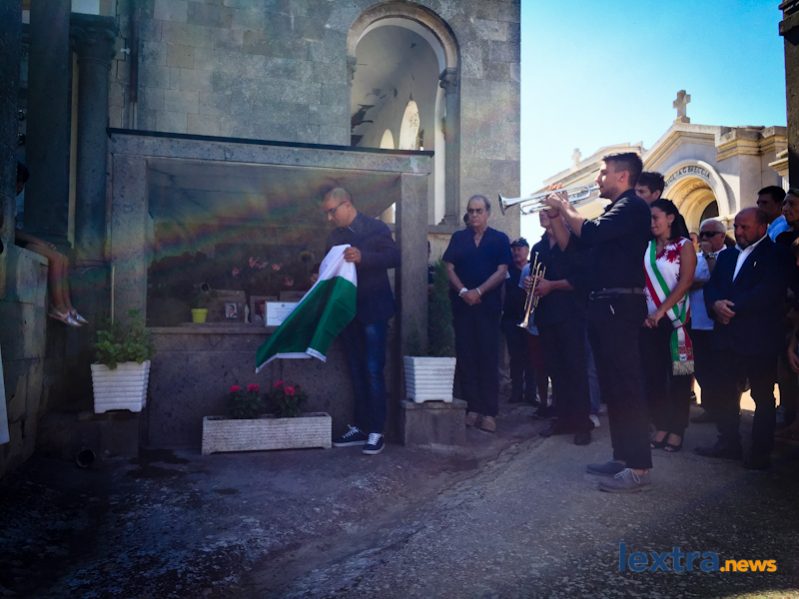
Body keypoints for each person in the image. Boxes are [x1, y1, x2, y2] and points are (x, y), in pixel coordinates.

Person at [544, 152, 653, 493]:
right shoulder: (614, 212)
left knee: (627, 386)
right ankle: (622, 457)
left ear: (622, 177)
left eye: (603, 173)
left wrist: (564, 205)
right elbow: (573, 248)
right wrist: (556, 218)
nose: (597, 180)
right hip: (604, 304)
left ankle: (638, 469)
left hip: (620, 303)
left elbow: (590, 232)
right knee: (613, 389)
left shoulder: (632, 207)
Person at [696, 207, 792, 469]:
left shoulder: (777, 255)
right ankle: (728, 443)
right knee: (725, 392)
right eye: (736, 226)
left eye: (744, 227)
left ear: (762, 227)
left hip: (758, 338)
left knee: (762, 396)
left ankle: (760, 452)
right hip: (726, 337)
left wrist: (730, 308)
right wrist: (715, 304)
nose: (738, 232)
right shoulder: (727, 256)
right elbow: (712, 286)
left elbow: (769, 291)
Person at [323, 187, 400, 456]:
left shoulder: (376, 227)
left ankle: (377, 430)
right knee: (356, 370)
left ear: (347, 204)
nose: (330, 218)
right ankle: (360, 427)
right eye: (327, 213)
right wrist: (316, 276)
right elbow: (327, 266)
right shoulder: (335, 236)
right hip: (348, 313)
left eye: (332, 211)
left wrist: (364, 257)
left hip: (374, 311)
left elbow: (394, 257)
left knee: (373, 370)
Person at [443, 194, 511, 433]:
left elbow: (502, 271)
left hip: (488, 308)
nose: (474, 215)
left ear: (488, 213)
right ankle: (473, 408)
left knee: (488, 358)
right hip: (463, 307)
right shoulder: (458, 238)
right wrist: (463, 291)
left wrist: (479, 291)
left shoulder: (499, 239)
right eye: (471, 211)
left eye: (479, 211)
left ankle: (490, 412)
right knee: (467, 357)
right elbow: (449, 267)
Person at [528, 210, 592, 445]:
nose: (542, 215)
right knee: (555, 370)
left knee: (575, 369)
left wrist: (551, 285)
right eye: (541, 211)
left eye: (548, 211)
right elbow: (537, 281)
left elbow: (583, 280)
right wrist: (532, 284)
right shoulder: (537, 248)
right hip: (546, 316)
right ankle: (563, 418)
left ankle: (582, 423)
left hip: (571, 314)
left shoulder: (575, 243)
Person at [641, 199, 696, 453]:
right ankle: (661, 424)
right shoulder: (648, 247)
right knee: (653, 377)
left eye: (656, 217)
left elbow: (685, 282)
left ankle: (677, 429)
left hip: (677, 323)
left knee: (681, 376)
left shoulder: (684, 245)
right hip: (650, 324)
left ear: (670, 218)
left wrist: (662, 311)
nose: (652, 223)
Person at [14, 162, 87, 327]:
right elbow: (11, 232)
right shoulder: (8, 201)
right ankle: (58, 308)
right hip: (17, 243)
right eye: (19, 183)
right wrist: (39, 241)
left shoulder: (15, 199)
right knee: (55, 257)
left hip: (23, 241)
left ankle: (68, 307)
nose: (21, 188)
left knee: (63, 258)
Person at [689, 218, 729, 424]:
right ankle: (709, 407)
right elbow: (685, 282)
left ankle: (723, 409)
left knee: (719, 369)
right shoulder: (694, 258)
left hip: (717, 324)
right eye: (702, 234)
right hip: (695, 321)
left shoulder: (729, 256)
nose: (704, 238)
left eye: (710, 234)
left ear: (722, 236)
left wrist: (709, 257)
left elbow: (717, 280)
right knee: (700, 368)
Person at [501, 237, 536, 404]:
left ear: (527, 250)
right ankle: (516, 393)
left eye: (519, 248)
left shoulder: (533, 268)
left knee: (531, 358)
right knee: (515, 358)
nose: (516, 252)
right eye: (514, 249)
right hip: (511, 319)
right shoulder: (507, 270)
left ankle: (531, 394)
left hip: (530, 320)